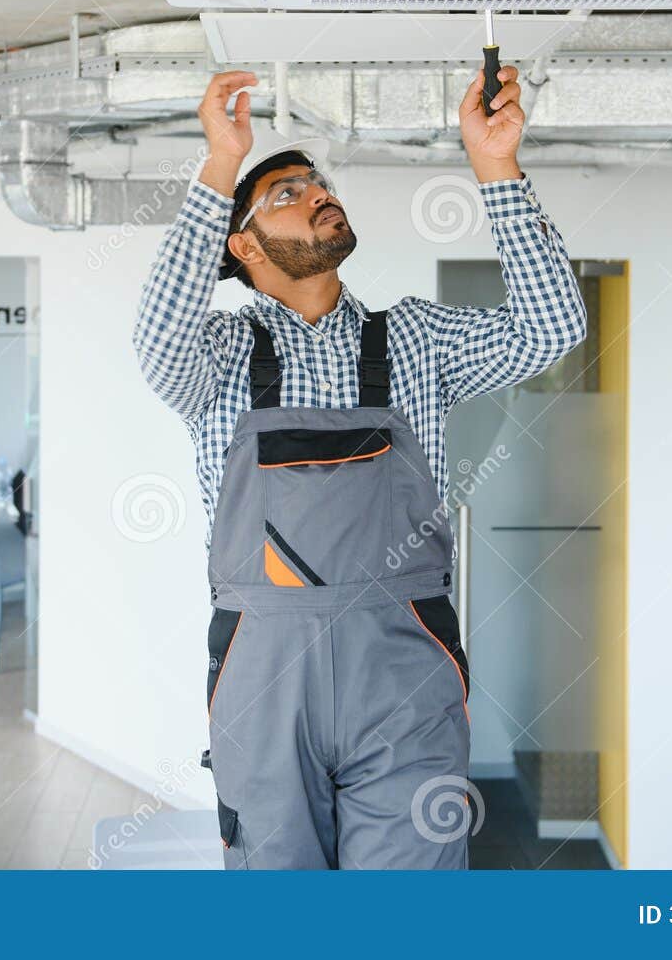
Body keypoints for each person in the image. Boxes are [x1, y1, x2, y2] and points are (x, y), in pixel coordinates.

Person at [132, 64, 587, 869]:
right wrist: (221, 163)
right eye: (287, 193)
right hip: (265, 685)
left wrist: (496, 167)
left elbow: (551, 327)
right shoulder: (219, 357)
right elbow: (159, 336)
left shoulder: (415, 339)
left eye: (318, 182)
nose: (316, 192)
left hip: (403, 678)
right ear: (244, 246)